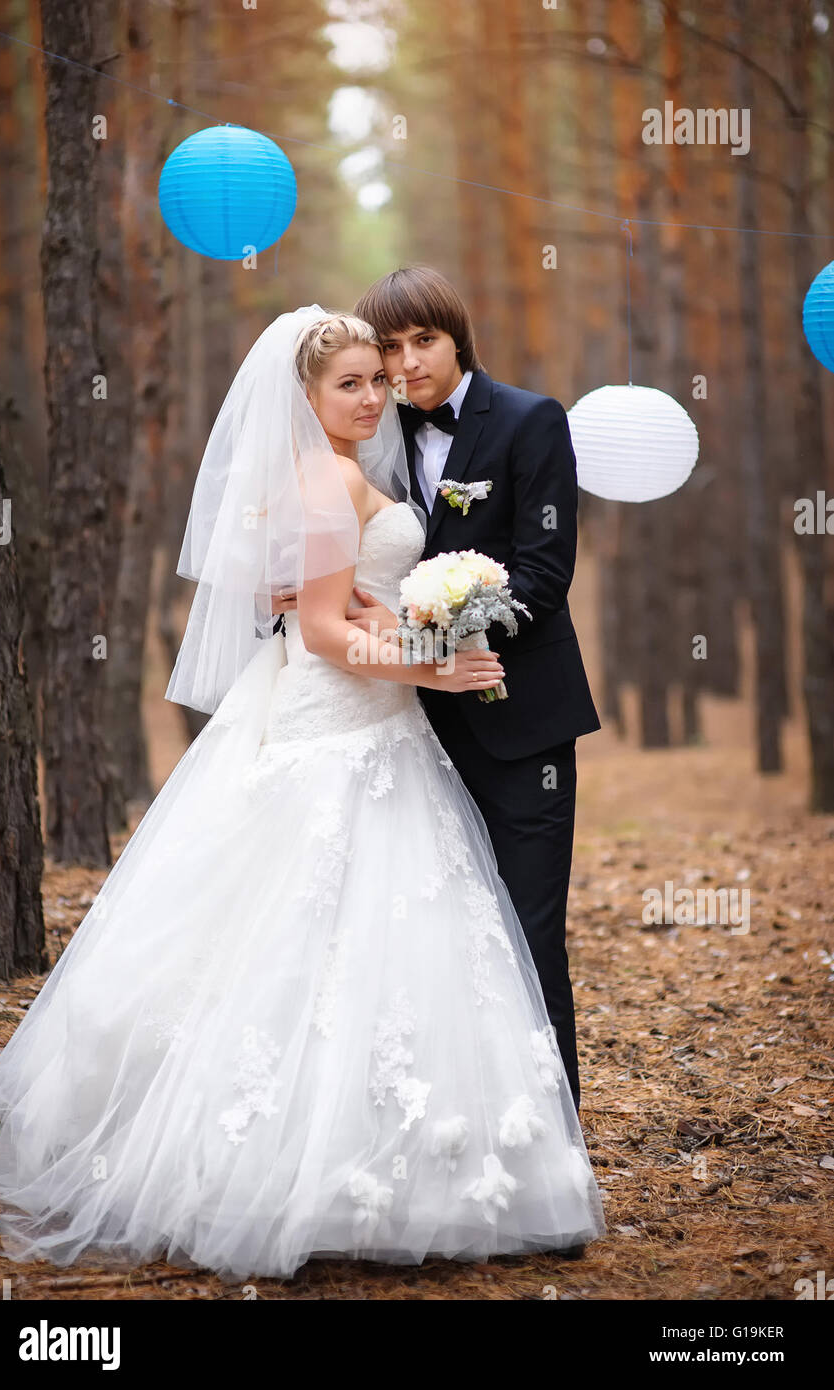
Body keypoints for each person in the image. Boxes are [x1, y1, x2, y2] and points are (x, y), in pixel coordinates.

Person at [0, 306, 605, 1282]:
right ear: (304, 396)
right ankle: (285, 1169)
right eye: (349, 381)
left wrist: (379, 617)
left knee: (405, 943)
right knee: (307, 935)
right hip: (342, 721)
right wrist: (427, 663)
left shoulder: (366, 471)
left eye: (375, 377)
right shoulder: (321, 482)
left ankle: (424, 1160)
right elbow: (317, 634)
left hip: (386, 724)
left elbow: (356, 594)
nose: (371, 392)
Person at [343, 268, 602, 1113]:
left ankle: (551, 1138)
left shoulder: (531, 421)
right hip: (405, 725)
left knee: (528, 934)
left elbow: (542, 574)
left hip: (517, 720)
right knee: (431, 936)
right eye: (389, 348)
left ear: (457, 338)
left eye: (423, 341)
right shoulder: (373, 439)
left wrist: (443, 635)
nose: (406, 362)